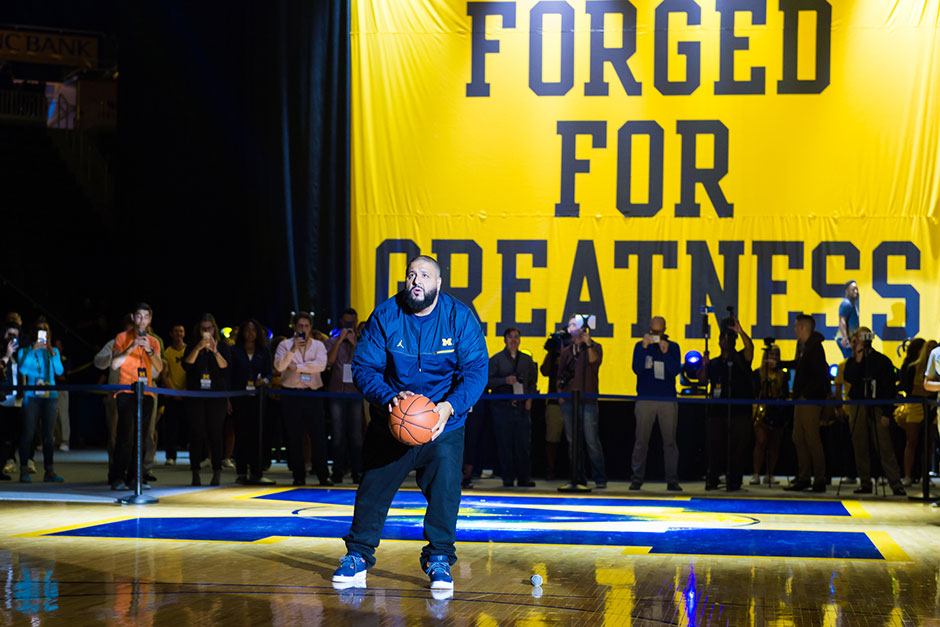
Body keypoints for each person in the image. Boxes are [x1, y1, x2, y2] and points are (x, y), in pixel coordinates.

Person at [332, 255, 488, 592]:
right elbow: (364, 369)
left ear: (438, 284)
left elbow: (477, 371)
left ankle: (439, 558)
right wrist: (388, 397)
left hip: (442, 423)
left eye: (425, 276)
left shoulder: (459, 318)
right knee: (373, 489)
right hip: (393, 420)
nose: (416, 281)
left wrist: (450, 407)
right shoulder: (386, 315)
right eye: (411, 275)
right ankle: (358, 555)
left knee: (447, 492)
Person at [843, 327, 905, 495]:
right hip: (858, 405)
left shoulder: (882, 361)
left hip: (878, 406)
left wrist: (886, 413)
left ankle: (895, 483)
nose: (860, 339)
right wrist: (858, 357)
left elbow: (889, 388)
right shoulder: (853, 361)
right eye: (857, 336)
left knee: (884, 446)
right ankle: (865, 482)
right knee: (859, 445)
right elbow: (849, 377)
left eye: (863, 336)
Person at [109, 304, 163, 490]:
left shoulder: (154, 341)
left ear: (149, 320)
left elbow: (160, 368)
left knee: (142, 437)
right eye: (138, 316)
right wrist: (132, 347)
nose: (141, 320)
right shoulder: (122, 337)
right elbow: (115, 364)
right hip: (126, 391)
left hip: (145, 392)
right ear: (133, 317)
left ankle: (136, 478)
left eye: (145, 317)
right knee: (126, 436)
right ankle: (117, 477)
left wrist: (148, 350)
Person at [274, 312, 331, 486]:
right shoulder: (285, 345)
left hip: (312, 394)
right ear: (294, 327)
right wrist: (292, 351)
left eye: (306, 326)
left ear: (310, 327)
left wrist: (296, 367)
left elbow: (320, 366)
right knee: (294, 436)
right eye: (300, 326)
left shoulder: (319, 346)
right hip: (291, 394)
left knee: (318, 435)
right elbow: (279, 366)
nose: (303, 329)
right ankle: (298, 475)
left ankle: (323, 474)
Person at [699, 318, 754, 491]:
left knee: (738, 448)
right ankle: (713, 478)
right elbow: (702, 380)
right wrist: (703, 365)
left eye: (729, 339)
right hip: (717, 412)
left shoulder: (740, 359)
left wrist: (740, 330)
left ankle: (734, 480)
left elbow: (750, 349)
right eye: (723, 339)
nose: (726, 342)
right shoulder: (715, 363)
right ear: (719, 341)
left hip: (738, 412)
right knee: (715, 447)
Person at [630, 316, 681, 492]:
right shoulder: (640, 346)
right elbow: (636, 368)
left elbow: (675, 371)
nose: (655, 335)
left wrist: (666, 353)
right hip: (645, 398)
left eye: (659, 332)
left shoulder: (673, 347)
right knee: (641, 441)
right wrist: (645, 348)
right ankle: (637, 478)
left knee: (669, 442)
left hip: (667, 399)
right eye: (653, 332)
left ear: (665, 330)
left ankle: (672, 480)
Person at [782, 314, 830, 492]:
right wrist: (779, 364)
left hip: (809, 400)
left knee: (811, 438)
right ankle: (804, 475)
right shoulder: (803, 346)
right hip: (802, 399)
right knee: (799, 437)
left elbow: (819, 375)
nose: (794, 330)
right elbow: (799, 365)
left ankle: (818, 478)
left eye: (796, 326)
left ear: (802, 327)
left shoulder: (815, 348)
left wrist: (806, 394)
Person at [557, 315, 606, 489]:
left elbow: (594, 362)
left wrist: (588, 344)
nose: (574, 331)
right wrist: (561, 395)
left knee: (591, 440)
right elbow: (560, 374)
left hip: (588, 399)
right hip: (569, 400)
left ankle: (600, 478)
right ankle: (577, 477)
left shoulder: (594, 347)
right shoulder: (566, 351)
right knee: (573, 441)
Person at [182, 313, 230, 486]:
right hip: (196, 396)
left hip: (216, 396)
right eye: (203, 329)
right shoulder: (192, 345)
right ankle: (195, 472)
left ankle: (216, 471)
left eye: (209, 329)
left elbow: (226, 369)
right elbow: (186, 366)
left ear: (214, 329)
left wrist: (215, 352)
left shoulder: (222, 346)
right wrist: (198, 348)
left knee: (216, 433)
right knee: (196, 433)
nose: (206, 332)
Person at [488, 327, 538, 487]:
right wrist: (505, 381)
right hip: (503, 408)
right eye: (510, 337)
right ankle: (507, 478)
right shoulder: (496, 360)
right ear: (505, 340)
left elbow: (532, 382)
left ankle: (524, 478)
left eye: (517, 337)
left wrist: (530, 399)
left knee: (523, 445)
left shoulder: (526, 360)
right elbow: (488, 382)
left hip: (522, 408)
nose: (513, 340)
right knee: (505, 445)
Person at [16, 320, 65, 483]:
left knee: (48, 436)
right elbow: (23, 370)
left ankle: (49, 471)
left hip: (50, 397)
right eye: (39, 330)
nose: (42, 333)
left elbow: (59, 371)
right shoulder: (25, 351)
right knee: (28, 433)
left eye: (45, 331)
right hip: (32, 397)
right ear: (34, 334)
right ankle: (24, 470)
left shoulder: (53, 351)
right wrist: (33, 350)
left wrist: (51, 352)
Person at [229, 319, 273, 484]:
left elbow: (269, 374)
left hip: (258, 398)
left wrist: (265, 382)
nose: (250, 333)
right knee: (241, 434)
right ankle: (241, 471)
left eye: (254, 330)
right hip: (240, 397)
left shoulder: (264, 351)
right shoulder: (235, 350)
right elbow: (230, 375)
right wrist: (228, 398)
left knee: (258, 435)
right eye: (247, 330)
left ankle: (257, 471)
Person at [325, 308, 364, 484]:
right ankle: (338, 472)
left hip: (355, 394)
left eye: (352, 322)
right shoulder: (332, 341)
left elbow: (364, 362)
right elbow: (329, 361)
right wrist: (340, 340)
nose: (349, 325)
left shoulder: (362, 342)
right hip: (337, 393)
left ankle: (358, 472)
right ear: (341, 322)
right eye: (346, 322)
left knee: (356, 435)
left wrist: (354, 343)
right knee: (338, 434)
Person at [94, 314, 134, 464]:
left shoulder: (142, 344)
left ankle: (133, 469)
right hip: (116, 393)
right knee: (114, 433)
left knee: (132, 433)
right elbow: (98, 362)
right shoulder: (114, 343)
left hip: (135, 394)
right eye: (129, 325)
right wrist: (113, 356)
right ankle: (115, 467)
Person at [898, 339, 937, 486]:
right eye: (928, 347)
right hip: (914, 407)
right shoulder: (913, 367)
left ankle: (924, 476)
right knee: (911, 441)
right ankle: (907, 475)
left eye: (934, 348)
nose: (930, 350)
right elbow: (909, 389)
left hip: (932, 408)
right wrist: (927, 390)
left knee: (928, 444)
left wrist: (925, 391)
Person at [750, 343, 788, 486]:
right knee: (761, 441)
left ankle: (770, 473)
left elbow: (784, 393)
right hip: (761, 410)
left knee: (774, 443)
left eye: (776, 356)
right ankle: (755, 474)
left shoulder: (783, 374)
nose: (773, 359)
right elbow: (755, 392)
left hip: (777, 410)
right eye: (771, 355)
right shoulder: (757, 373)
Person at [539, 331, 569, 480]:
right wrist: (551, 350)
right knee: (552, 438)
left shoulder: (573, 353)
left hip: (571, 400)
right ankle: (550, 468)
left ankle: (574, 471)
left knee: (573, 439)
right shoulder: (553, 354)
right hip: (553, 401)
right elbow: (544, 371)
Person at [159, 324, 187, 466]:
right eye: (176, 331)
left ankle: (198, 456)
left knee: (192, 427)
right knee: (170, 428)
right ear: (171, 333)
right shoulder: (167, 352)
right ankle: (171, 456)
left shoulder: (189, 350)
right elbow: (163, 375)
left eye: (181, 331)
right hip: (171, 395)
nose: (178, 333)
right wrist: (173, 392)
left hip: (188, 395)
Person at [0, 323, 22, 480]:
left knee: (9, 438)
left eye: (15, 335)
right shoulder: (3, 353)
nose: (11, 338)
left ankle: (1, 467)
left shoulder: (20, 355)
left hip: (15, 399)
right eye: (9, 334)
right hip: (2, 398)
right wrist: (6, 356)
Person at [53, 339, 70, 451]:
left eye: (58, 346)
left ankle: (65, 441)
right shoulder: (50, 356)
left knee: (63, 415)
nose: (56, 347)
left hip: (62, 389)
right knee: (52, 416)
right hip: (51, 389)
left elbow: (62, 375)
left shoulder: (65, 359)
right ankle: (56, 440)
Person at [836, 280, 860, 358]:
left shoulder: (852, 304)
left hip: (850, 339)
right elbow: (842, 321)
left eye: (856, 289)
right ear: (847, 291)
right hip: (847, 340)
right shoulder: (846, 304)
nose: (856, 291)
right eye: (853, 289)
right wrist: (845, 338)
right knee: (851, 361)